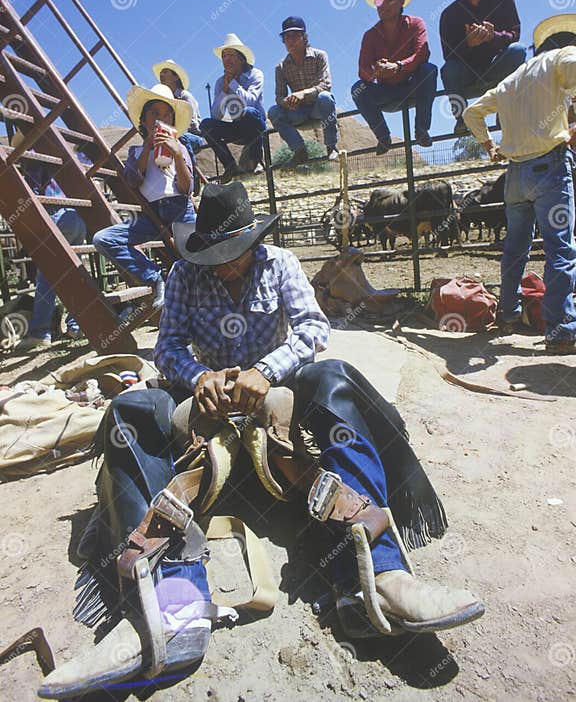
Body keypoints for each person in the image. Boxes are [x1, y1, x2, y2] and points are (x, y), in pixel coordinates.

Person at [38, 182, 484, 698]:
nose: (226, 267)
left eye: (235, 255)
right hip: (206, 401)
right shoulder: (185, 273)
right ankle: (172, 598)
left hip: (277, 395)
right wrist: (199, 375)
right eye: (217, 257)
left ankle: (380, 572)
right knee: (132, 409)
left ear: (253, 240)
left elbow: (313, 329)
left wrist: (265, 371)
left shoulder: (280, 263)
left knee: (334, 376)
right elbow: (168, 349)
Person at [463, 14, 576, 353]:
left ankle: (507, 314)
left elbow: (471, 112)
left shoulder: (512, 79)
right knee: (560, 248)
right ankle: (561, 328)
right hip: (550, 168)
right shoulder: (563, 57)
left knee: (515, 248)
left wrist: (488, 146)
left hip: (515, 176)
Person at [93, 83, 197, 309]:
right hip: (151, 215)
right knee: (103, 239)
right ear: (144, 120)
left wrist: (178, 155)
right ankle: (154, 277)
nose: (161, 120)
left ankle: (195, 305)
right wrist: (148, 148)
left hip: (179, 209)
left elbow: (187, 188)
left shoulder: (181, 148)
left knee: (198, 256)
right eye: (155, 114)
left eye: (167, 116)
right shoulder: (137, 152)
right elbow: (132, 181)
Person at [440, 0, 526, 135]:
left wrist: (492, 36)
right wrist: (469, 43)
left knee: (518, 51)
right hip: (467, 74)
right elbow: (448, 54)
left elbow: (515, 34)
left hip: (498, 67)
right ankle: (462, 120)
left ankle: (505, 109)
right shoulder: (449, 14)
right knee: (448, 69)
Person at [12, 131, 87, 350]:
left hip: (55, 217)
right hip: (75, 216)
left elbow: (33, 195)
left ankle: (40, 332)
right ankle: (75, 325)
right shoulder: (59, 158)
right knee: (74, 272)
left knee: (46, 276)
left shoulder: (32, 161)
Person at [351, 0, 438, 152]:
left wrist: (398, 66)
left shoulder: (416, 24)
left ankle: (421, 130)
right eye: (379, 0)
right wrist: (376, 70)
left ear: (401, 1)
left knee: (429, 69)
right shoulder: (370, 35)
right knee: (357, 89)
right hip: (386, 91)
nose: (383, 5)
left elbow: (422, 54)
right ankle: (383, 137)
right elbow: (362, 69)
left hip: (412, 85)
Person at [268, 17, 339, 167]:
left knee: (326, 97)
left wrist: (304, 93)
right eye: (287, 37)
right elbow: (279, 97)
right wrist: (287, 102)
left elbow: (326, 84)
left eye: (295, 35)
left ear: (304, 37)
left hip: (318, 108)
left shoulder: (319, 56)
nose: (291, 40)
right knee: (273, 111)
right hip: (297, 111)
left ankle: (331, 146)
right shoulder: (281, 67)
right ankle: (299, 151)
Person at [199, 33, 266, 183]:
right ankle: (230, 166)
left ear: (241, 59)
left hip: (254, 124)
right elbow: (216, 115)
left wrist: (234, 85)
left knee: (248, 113)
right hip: (235, 125)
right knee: (206, 125)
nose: (226, 60)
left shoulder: (256, 74)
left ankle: (256, 161)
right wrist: (224, 91)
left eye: (231, 55)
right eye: (224, 56)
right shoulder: (220, 82)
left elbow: (250, 102)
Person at [153, 59, 203, 157]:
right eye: (161, 73)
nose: (161, 75)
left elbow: (193, 124)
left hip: (193, 136)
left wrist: (175, 131)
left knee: (179, 138)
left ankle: (189, 169)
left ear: (176, 77)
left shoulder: (185, 96)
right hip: (174, 134)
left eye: (165, 72)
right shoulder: (165, 100)